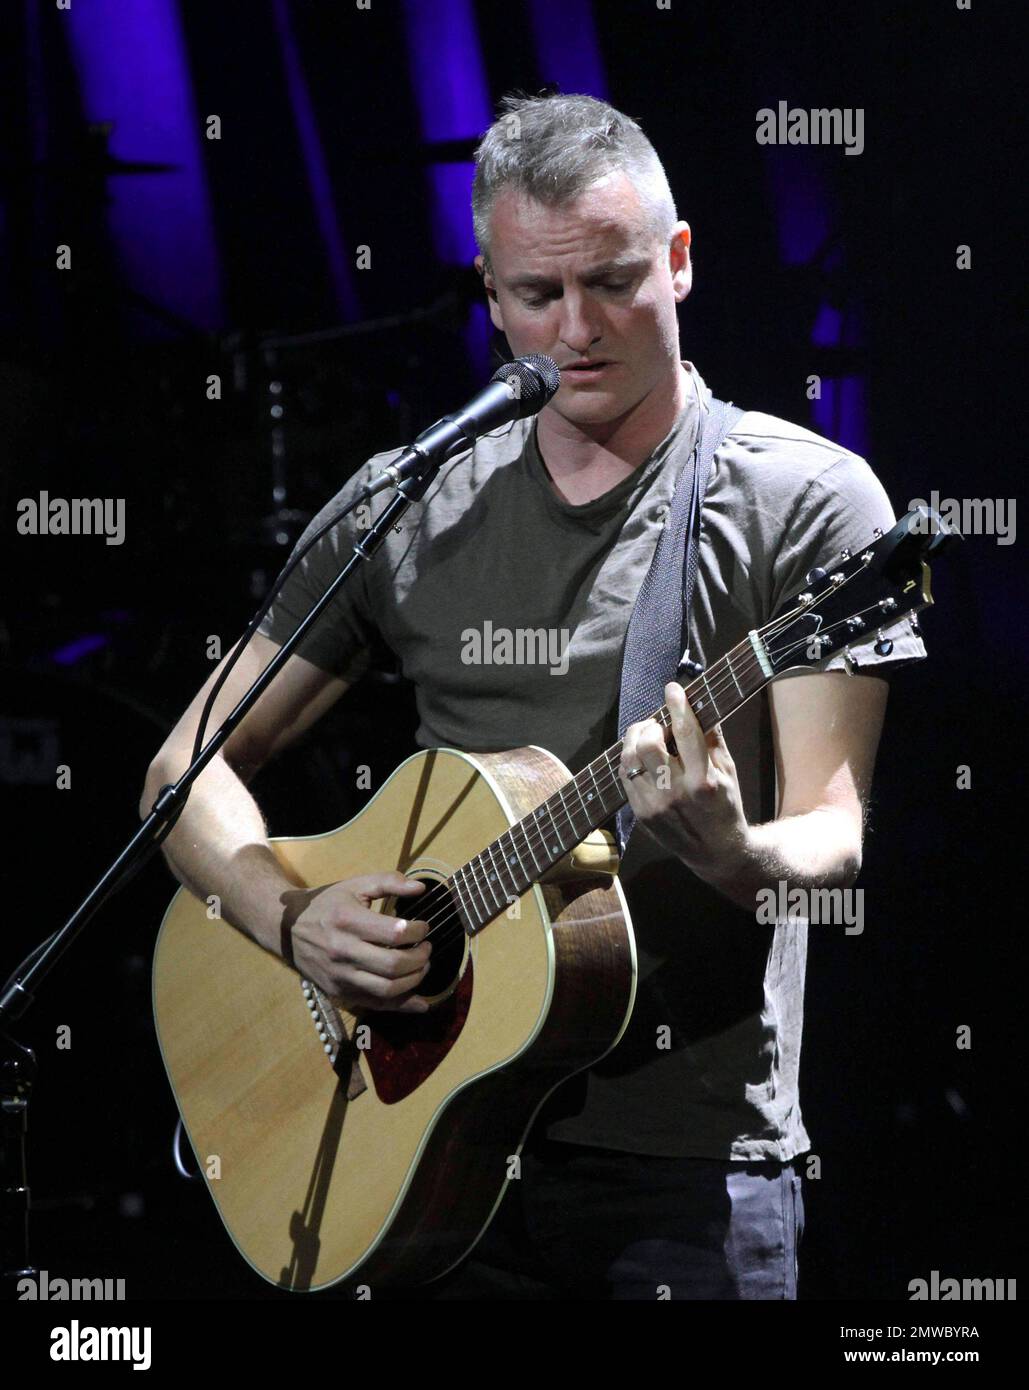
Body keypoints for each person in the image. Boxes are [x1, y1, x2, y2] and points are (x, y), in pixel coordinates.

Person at [141, 92, 925, 1299]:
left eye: (613, 282)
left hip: (681, 1168)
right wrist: (289, 919)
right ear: (487, 290)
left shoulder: (803, 505)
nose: (576, 330)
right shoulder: (409, 500)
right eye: (535, 297)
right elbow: (184, 766)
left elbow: (833, 832)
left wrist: (736, 844)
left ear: (680, 260)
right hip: (415, 1145)